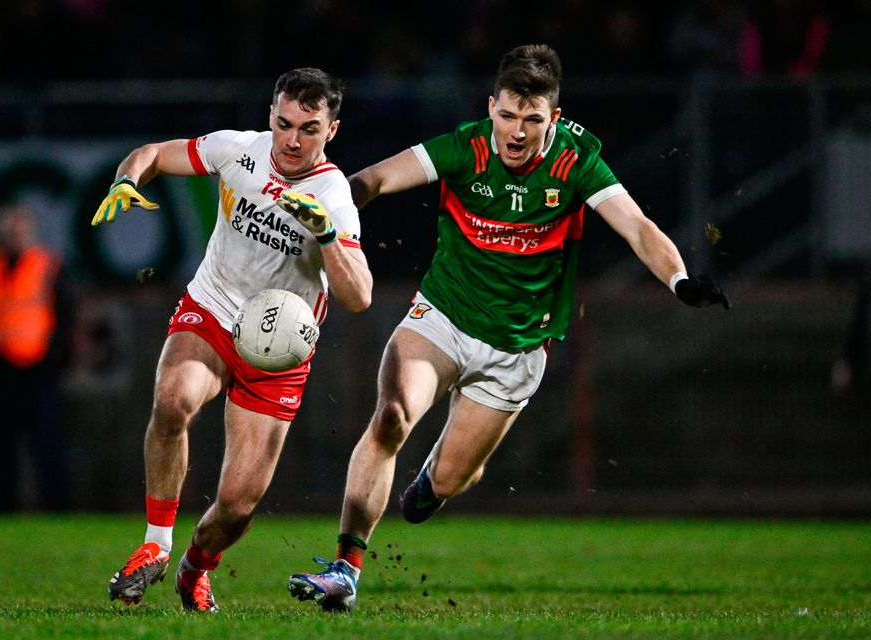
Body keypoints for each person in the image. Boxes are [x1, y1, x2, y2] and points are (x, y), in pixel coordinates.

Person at [287, 44, 731, 613]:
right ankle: (346, 570)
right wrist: (323, 211)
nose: (516, 133)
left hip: (517, 350)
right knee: (392, 415)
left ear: (556, 119)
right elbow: (371, 180)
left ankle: (437, 479)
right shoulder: (464, 147)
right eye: (507, 115)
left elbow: (638, 227)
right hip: (442, 318)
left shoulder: (576, 163)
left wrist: (679, 280)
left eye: (532, 119)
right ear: (490, 106)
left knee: (446, 484)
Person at [95, 67, 372, 614]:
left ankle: (195, 566)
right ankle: (155, 543)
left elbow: (359, 295)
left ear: (332, 131)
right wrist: (125, 180)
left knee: (237, 506)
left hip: (278, 350)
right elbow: (153, 152)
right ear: (270, 113)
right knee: (173, 399)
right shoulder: (237, 150)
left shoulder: (333, 195)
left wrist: (326, 234)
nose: (292, 140)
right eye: (284, 123)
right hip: (214, 308)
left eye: (309, 129)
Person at [0, 202, 72, 512]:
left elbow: (65, 316)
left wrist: (55, 357)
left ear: (29, 232)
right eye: (7, 229)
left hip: (36, 370)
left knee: (45, 445)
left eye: (18, 228)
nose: (13, 235)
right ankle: (3, 511)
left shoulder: (47, 265)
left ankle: (55, 510)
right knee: (0, 450)